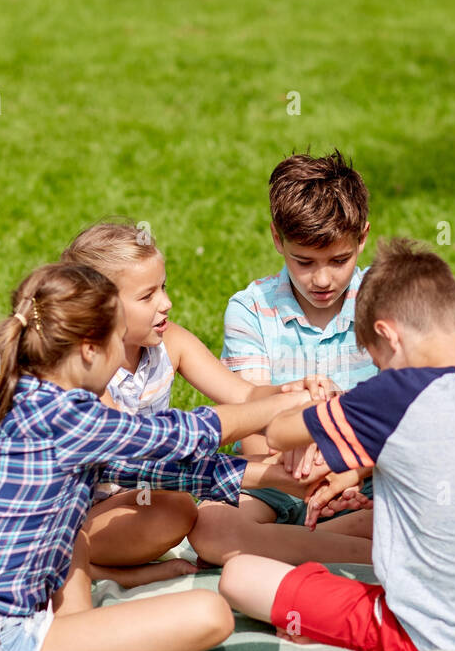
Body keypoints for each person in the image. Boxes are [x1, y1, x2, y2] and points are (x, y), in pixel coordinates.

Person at [0, 262, 311, 651]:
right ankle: (73, 639)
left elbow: (148, 469)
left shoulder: (31, 397)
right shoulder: (66, 416)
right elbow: (180, 435)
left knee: (73, 531)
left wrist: (271, 475)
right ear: (89, 350)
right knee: (211, 614)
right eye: (117, 338)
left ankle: (78, 630)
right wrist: (275, 407)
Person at [218, 239, 455, 651]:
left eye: (376, 360)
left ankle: (328, 624)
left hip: (428, 634)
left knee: (238, 576)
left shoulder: (392, 395)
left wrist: (311, 395)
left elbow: (279, 433)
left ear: (387, 337)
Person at [59, 219, 337, 585]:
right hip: (80, 514)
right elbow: (140, 464)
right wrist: (273, 476)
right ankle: (88, 568)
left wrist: (296, 392)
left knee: (184, 499)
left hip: (143, 490)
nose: (166, 303)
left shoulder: (168, 341)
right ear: (99, 308)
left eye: (163, 288)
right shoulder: (88, 371)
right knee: (176, 510)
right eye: (147, 297)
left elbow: (245, 397)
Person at [191, 150, 380, 567]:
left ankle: (294, 543)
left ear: (362, 237)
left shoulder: (386, 302)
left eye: (339, 260)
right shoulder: (251, 309)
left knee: (413, 512)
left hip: (364, 476)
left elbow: (404, 419)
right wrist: (297, 474)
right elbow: (251, 424)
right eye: (304, 262)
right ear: (278, 239)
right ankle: (341, 548)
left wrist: (350, 471)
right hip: (274, 474)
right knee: (209, 525)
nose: (323, 279)